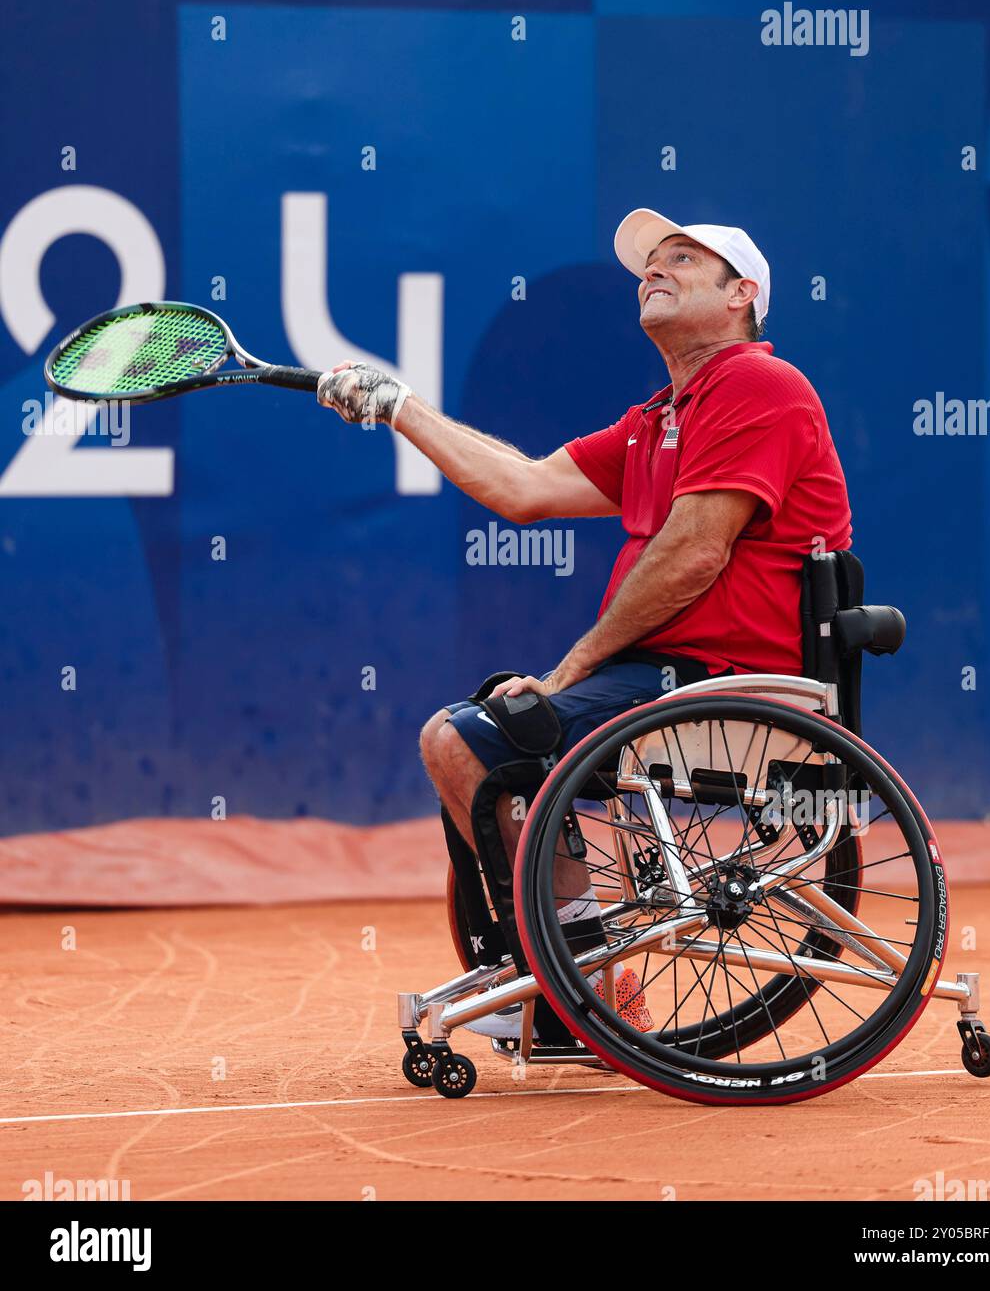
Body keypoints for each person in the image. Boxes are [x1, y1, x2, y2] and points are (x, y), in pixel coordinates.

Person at [317, 208, 852, 1038]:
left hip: (727, 687)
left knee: (467, 741)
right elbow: (522, 489)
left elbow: (692, 556)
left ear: (740, 294)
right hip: (670, 682)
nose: (654, 271)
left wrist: (568, 673)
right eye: (648, 263)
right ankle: (569, 974)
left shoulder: (757, 384)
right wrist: (401, 408)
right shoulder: (657, 421)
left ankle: (579, 990)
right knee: (470, 739)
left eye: (681, 259)